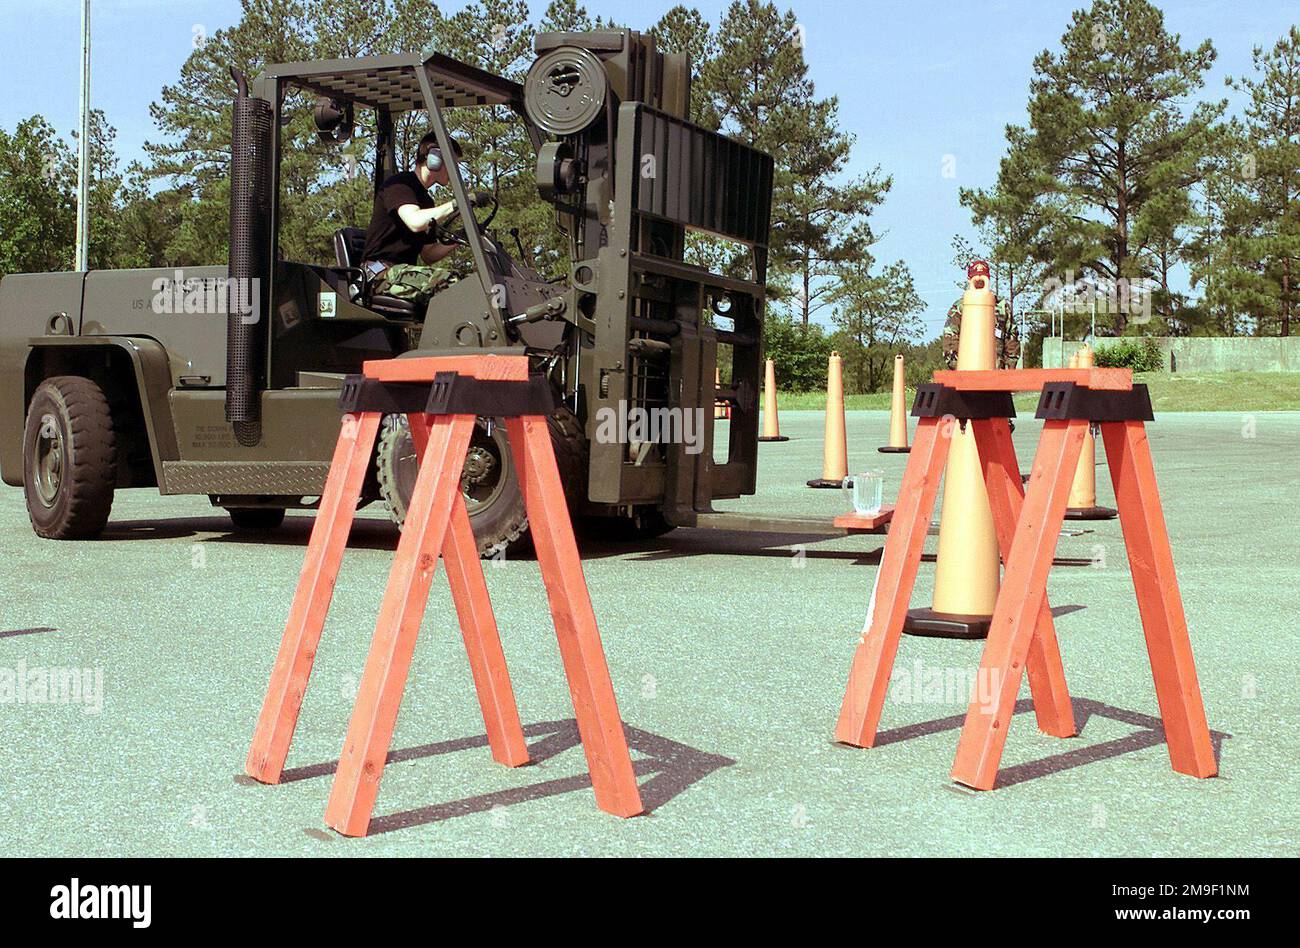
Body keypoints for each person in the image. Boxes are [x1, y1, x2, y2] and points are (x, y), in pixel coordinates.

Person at [361, 131, 466, 308]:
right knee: (452, 282)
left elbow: (428, 254)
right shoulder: (399, 185)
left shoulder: (426, 201)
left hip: (402, 275)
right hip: (380, 275)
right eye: (453, 164)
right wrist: (457, 204)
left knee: (467, 282)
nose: (456, 172)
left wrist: (461, 238)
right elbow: (415, 222)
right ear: (435, 158)